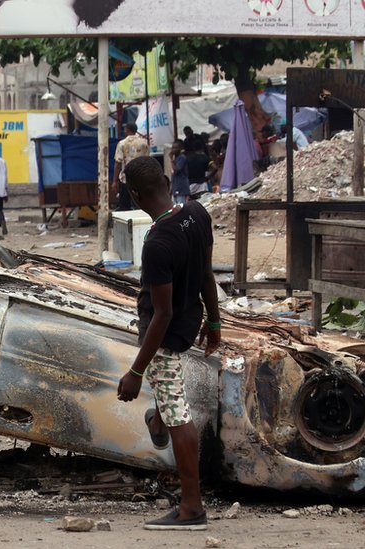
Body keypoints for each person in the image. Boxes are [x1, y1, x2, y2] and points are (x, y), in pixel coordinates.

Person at [117, 156, 221, 531]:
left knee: (179, 415)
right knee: (167, 398)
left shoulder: (158, 243)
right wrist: (214, 322)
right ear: (165, 180)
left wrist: (135, 372)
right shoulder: (197, 213)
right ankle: (157, 420)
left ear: (134, 194)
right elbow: (206, 273)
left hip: (164, 335)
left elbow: (162, 313)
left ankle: (191, 508)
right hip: (190, 323)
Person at [113, 122, 150, 211]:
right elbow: (148, 161)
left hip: (125, 179)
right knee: (139, 205)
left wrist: (114, 181)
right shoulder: (144, 143)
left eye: (125, 129)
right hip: (140, 178)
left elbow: (118, 163)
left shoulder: (122, 143)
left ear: (127, 130)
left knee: (124, 206)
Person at [169, 140, 190, 205]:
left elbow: (176, 170)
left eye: (176, 148)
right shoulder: (176, 159)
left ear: (180, 148)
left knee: (181, 207)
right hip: (175, 188)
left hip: (181, 188)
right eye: (172, 148)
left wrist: (171, 160)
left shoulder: (182, 158)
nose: (173, 150)